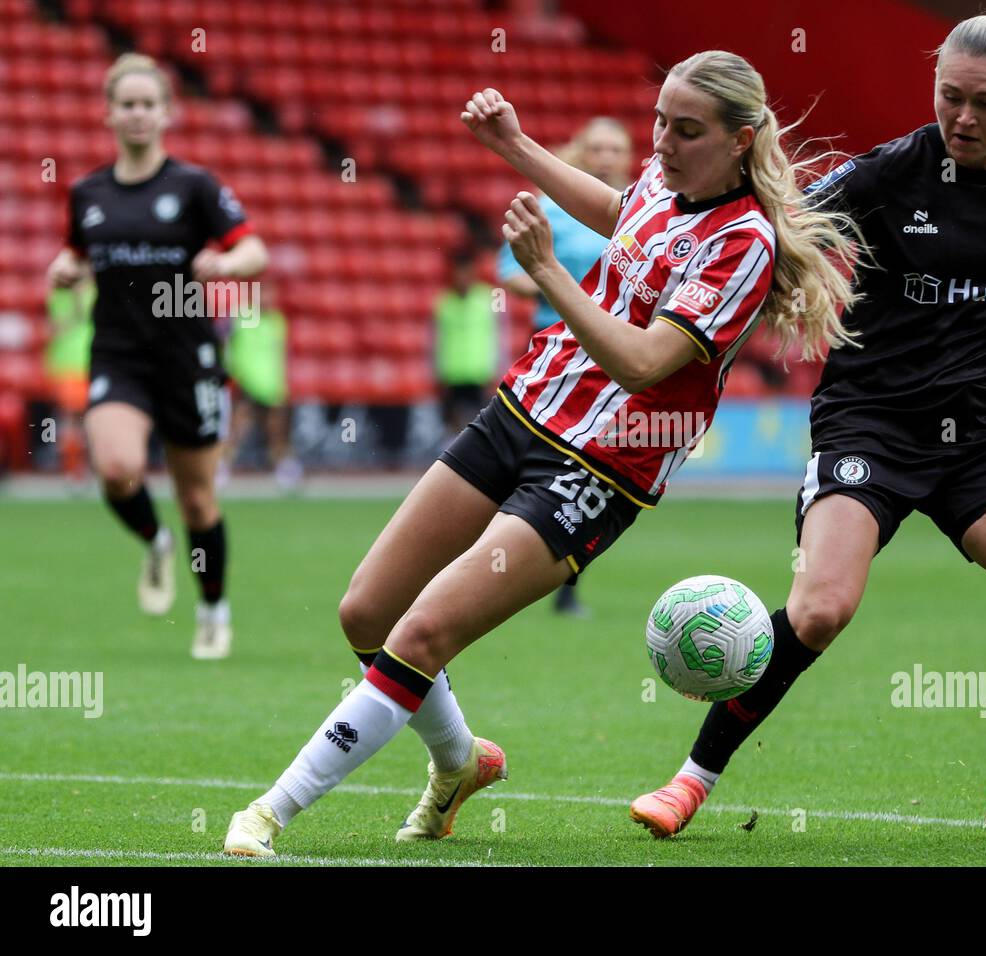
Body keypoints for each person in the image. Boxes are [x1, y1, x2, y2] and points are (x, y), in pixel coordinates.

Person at [222, 50, 860, 856]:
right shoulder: (666, 184)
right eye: (659, 118)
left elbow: (641, 360)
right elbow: (622, 213)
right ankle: (460, 762)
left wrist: (549, 272)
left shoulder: (744, 244)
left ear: (740, 141)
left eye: (686, 129)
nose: (661, 140)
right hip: (522, 412)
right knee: (366, 612)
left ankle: (270, 812)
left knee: (420, 635)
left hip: (596, 469)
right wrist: (515, 147)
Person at [630, 12, 986, 845]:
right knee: (822, 608)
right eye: (949, 97)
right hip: (868, 425)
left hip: (977, 432)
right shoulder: (884, 175)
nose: (964, 118)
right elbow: (765, 237)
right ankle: (690, 781)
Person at [46, 53, 268, 659]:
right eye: (127, 104)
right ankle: (154, 542)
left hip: (186, 355)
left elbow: (255, 253)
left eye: (149, 103)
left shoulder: (194, 187)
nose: (138, 113)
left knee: (196, 497)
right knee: (117, 470)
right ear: (109, 114)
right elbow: (74, 254)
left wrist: (226, 264)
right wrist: (65, 268)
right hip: (117, 355)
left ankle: (213, 609)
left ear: (167, 113)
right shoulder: (87, 193)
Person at [497, 116, 635, 616]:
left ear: (627, 156)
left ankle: (565, 583)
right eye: (595, 147)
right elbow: (510, 271)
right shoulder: (553, 207)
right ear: (581, 150)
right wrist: (563, 286)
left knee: (591, 471)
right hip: (555, 355)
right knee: (535, 461)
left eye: (613, 148)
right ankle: (507, 559)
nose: (603, 156)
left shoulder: (639, 213)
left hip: (612, 361)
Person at [222, 279, 301, 491]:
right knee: (236, 430)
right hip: (246, 384)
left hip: (272, 388)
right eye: (263, 294)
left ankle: (285, 472)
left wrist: (281, 386)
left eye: (270, 294)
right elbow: (227, 347)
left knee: (277, 432)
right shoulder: (241, 317)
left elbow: (279, 358)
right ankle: (220, 469)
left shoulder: (277, 321)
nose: (266, 299)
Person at [433, 252, 499, 447]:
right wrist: (437, 370)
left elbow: (498, 336)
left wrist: (496, 367)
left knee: (480, 421)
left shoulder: (487, 299)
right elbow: (435, 340)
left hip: (479, 372)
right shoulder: (444, 303)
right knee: (453, 422)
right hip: (452, 372)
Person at [43, 277, 96, 479]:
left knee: (83, 419)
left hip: (86, 362)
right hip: (71, 364)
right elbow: (54, 326)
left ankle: (82, 467)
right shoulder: (59, 294)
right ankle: (75, 467)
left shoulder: (91, 291)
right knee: (74, 419)